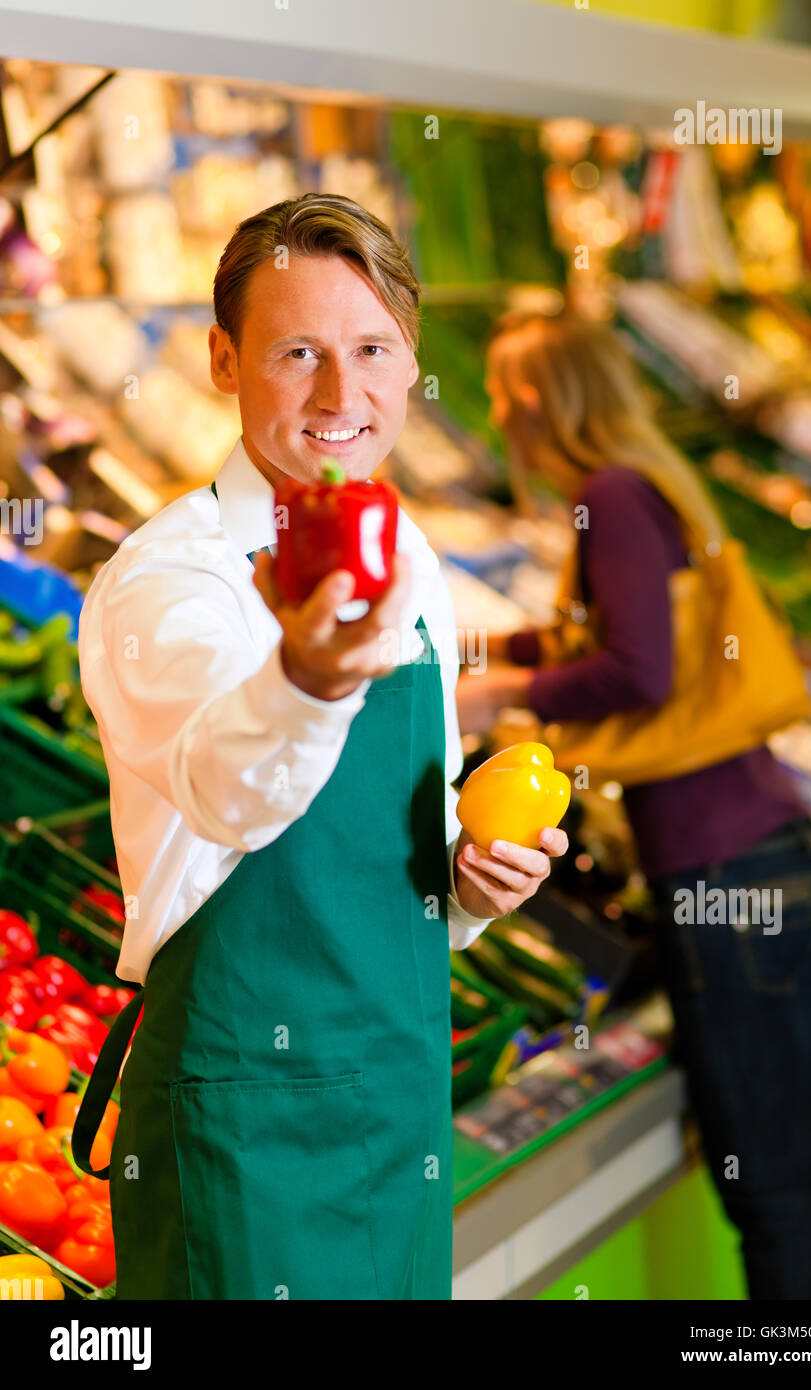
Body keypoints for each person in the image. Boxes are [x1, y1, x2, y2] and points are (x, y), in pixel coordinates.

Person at [70, 195, 568, 1301]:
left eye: (372, 350)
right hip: (244, 1135)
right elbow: (225, 787)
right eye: (298, 352)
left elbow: (410, 856)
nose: (342, 395)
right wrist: (307, 678)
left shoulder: (414, 562)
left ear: (409, 366)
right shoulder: (170, 580)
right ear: (222, 359)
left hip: (395, 1117)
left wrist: (474, 882)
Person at [457, 310, 811, 1301]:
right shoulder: (643, 480)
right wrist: (496, 652)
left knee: (764, 1174)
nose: (496, 413)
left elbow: (636, 665)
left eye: (503, 395)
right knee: (778, 1157)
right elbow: (607, 633)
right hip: (762, 847)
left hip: (726, 869)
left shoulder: (612, 494)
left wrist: (505, 696)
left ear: (537, 400)